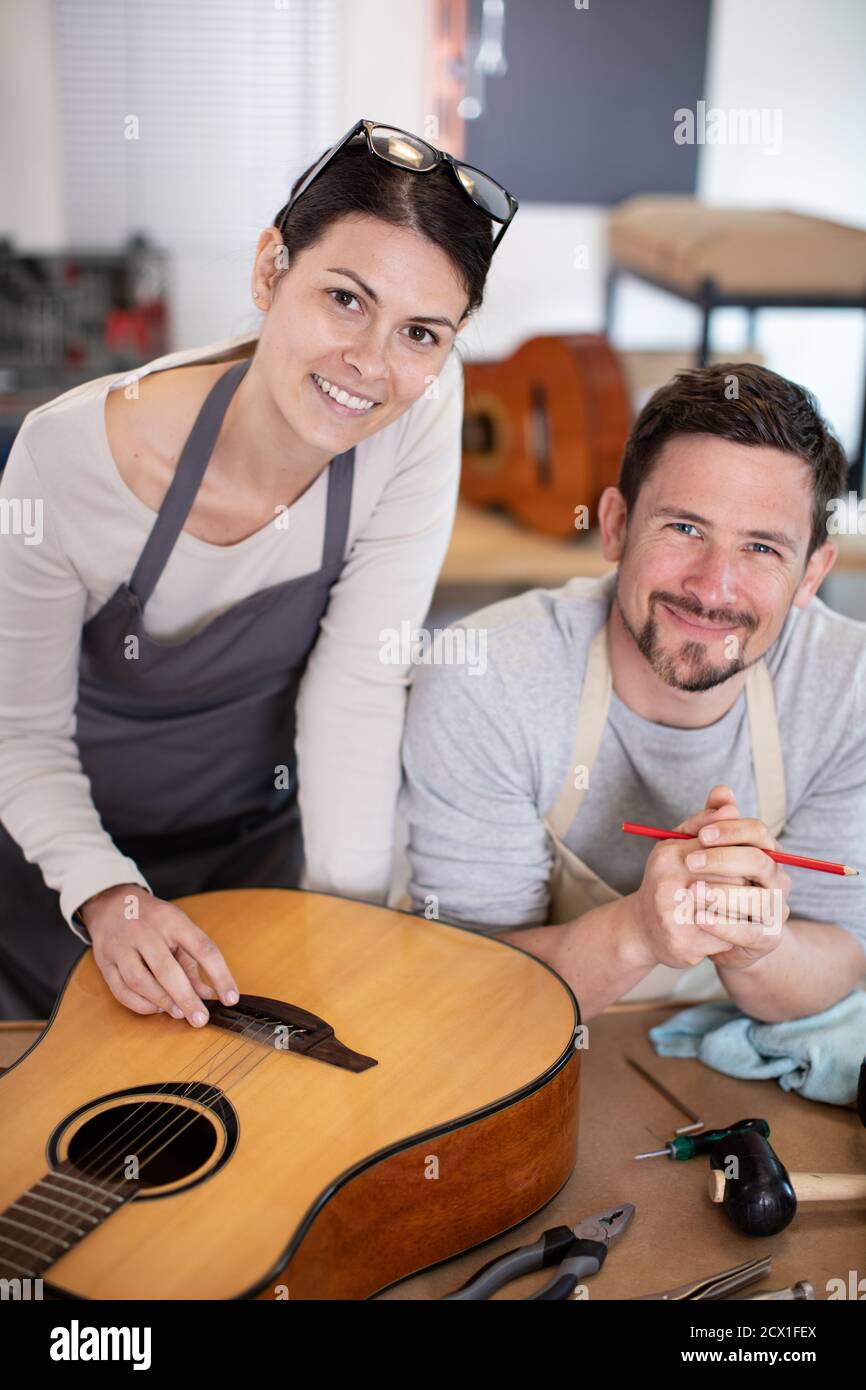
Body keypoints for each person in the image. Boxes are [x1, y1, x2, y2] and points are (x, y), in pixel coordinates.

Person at [0, 119, 518, 1023]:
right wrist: (105, 895)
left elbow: (356, 690)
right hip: (64, 870)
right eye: (346, 299)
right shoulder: (66, 459)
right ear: (270, 269)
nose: (372, 366)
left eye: (422, 334)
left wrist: (349, 929)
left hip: (259, 862)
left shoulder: (419, 416)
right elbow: (20, 736)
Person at [401, 362, 866, 1022]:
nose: (712, 588)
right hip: (523, 1056)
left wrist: (757, 950)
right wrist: (640, 933)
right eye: (684, 528)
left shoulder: (850, 690)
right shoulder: (485, 677)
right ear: (616, 525)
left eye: (761, 548)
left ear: (812, 572)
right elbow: (465, 988)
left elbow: (843, 955)